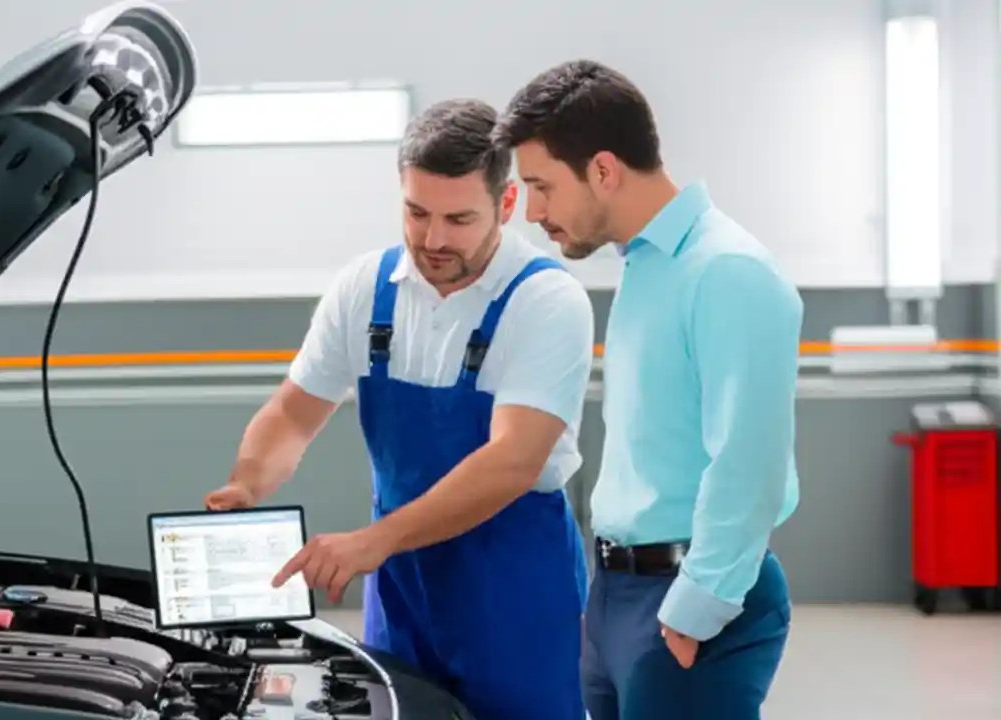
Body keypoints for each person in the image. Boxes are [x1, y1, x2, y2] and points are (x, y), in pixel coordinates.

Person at [203, 98, 595, 719]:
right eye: (417, 213)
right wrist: (246, 484)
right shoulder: (364, 287)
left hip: (515, 590)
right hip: (400, 592)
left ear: (506, 204)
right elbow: (293, 414)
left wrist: (373, 542)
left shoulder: (547, 302)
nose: (433, 239)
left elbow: (513, 461)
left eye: (459, 219)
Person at [493, 60, 803, 719]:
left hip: (689, 600)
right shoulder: (646, 264)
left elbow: (750, 462)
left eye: (542, 186)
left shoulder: (727, 271)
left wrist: (697, 608)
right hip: (618, 594)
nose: (534, 212)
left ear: (604, 170)